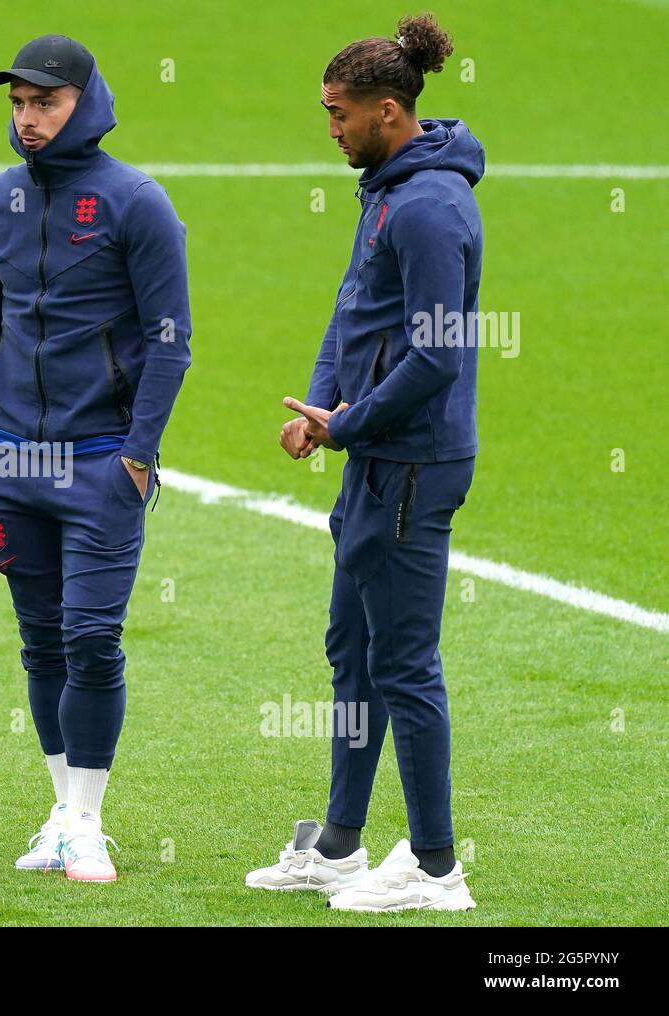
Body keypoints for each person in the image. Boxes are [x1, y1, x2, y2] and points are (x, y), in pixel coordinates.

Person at [246, 13, 483, 911]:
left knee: (406, 665)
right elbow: (355, 309)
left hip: (413, 464)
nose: (330, 129)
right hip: (374, 454)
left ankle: (434, 868)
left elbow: (436, 356)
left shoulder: (429, 208)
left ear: (389, 110)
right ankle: (342, 844)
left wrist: (346, 424)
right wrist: (320, 405)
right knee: (353, 649)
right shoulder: (387, 185)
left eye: (338, 114)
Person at [0, 35, 191, 882]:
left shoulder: (138, 204)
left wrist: (137, 457)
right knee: (41, 644)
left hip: (100, 465)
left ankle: (89, 823)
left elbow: (172, 343)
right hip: (10, 465)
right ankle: (61, 811)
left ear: (84, 103)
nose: (27, 120)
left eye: (44, 103)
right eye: (18, 104)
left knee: (92, 640)